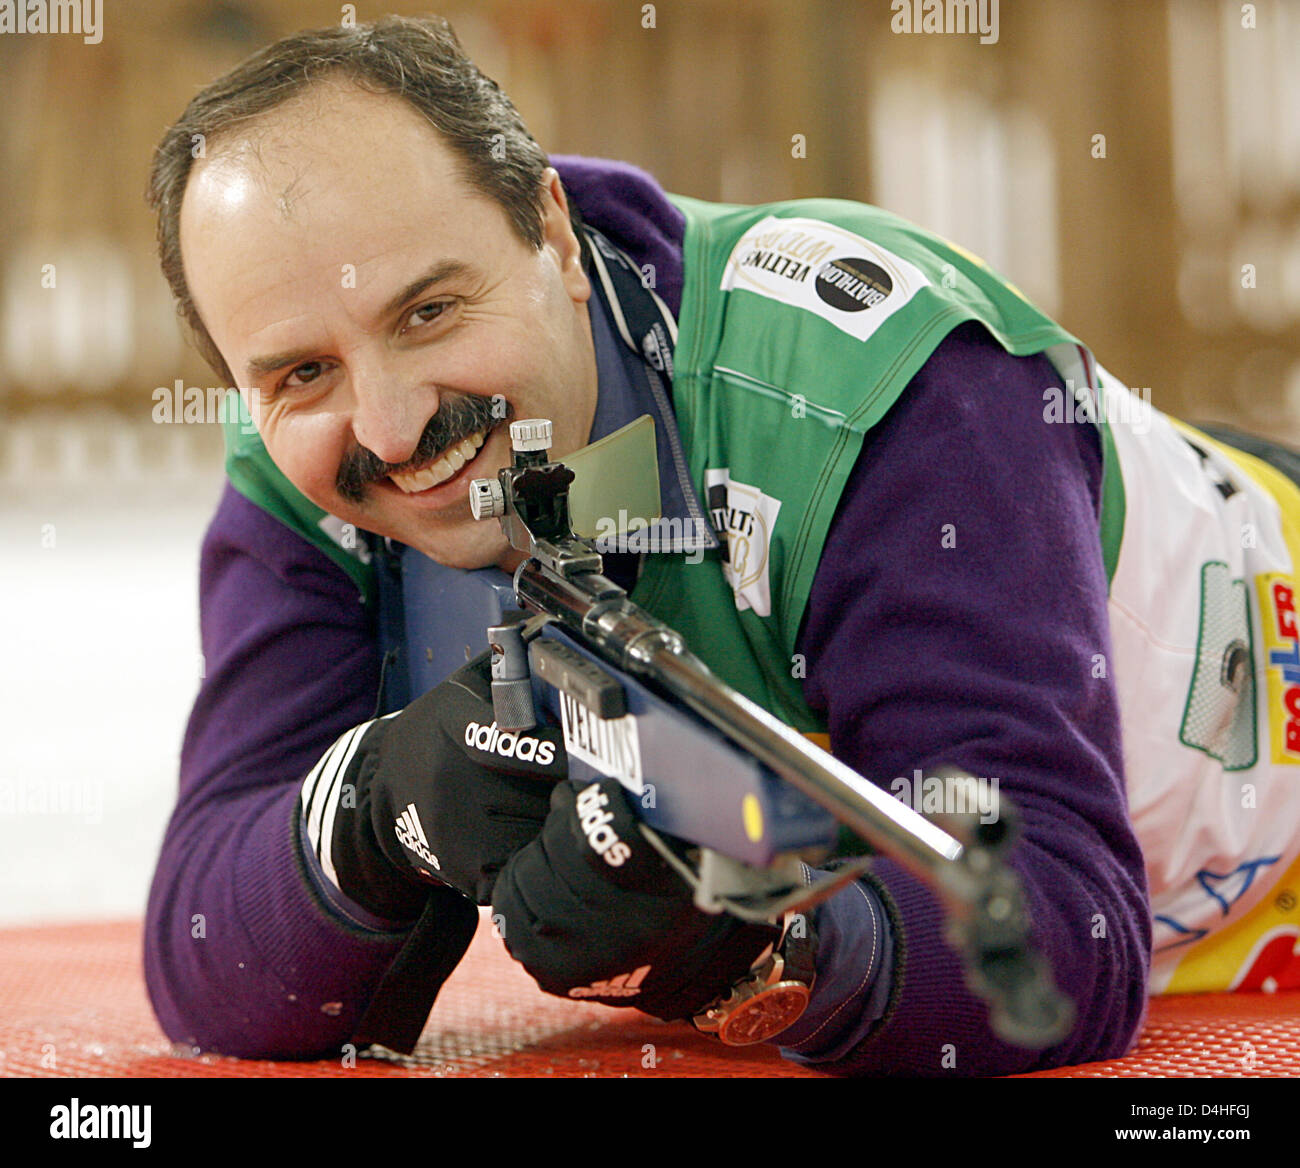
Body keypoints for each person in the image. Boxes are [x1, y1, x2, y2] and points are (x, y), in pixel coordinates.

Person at [142, 14, 1300, 1076]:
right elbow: (201, 955)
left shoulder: (883, 390)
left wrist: (760, 949)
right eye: (301, 372)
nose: (392, 428)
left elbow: (1062, 937)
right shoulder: (311, 479)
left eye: (429, 311)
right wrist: (372, 815)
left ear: (550, 229)